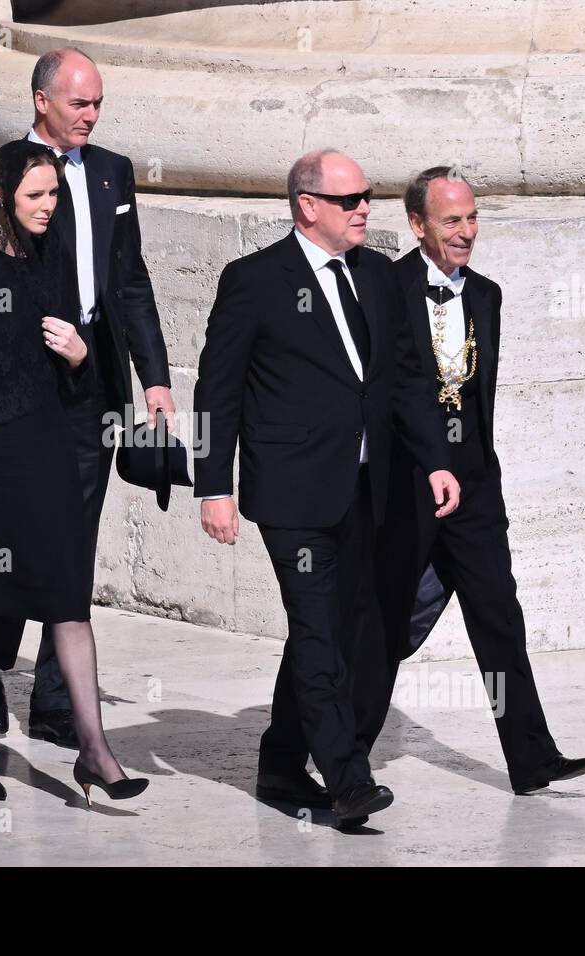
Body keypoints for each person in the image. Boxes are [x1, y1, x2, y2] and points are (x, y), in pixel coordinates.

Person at [192, 149, 460, 829]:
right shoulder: (253, 280)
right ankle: (347, 781)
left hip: (370, 490)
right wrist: (212, 485)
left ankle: (282, 761)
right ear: (307, 206)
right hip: (292, 495)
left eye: (367, 195)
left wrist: (435, 460)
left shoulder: (377, 276)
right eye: (350, 200)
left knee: (342, 634)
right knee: (316, 629)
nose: (365, 207)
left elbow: (408, 378)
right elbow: (216, 393)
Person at [0, 47, 174, 747]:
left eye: (98, 102)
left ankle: (54, 704)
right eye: (79, 102)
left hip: (91, 385)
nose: (91, 115)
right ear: (41, 100)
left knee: (72, 539)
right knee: (11, 533)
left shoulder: (112, 173)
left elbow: (129, 279)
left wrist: (155, 379)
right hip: (16, 393)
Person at [0, 140, 148, 805]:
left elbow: (77, 379)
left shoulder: (50, 261)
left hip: (48, 452)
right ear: (2, 197)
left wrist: (81, 355)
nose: (49, 207)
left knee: (69, 603)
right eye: (36, 196)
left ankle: (95, 748)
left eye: (54, 195)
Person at [361, 166, 585, 795]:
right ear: (417, 226)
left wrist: (479, 471)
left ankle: (532, 758)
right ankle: (344, 754)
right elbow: (383, 393)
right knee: (385, 625)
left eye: (472, 219)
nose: (466, 232)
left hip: (475, 489)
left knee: (498, 617)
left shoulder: (487, 294)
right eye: (452, 221)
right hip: (407, 488)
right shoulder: (384, 288)